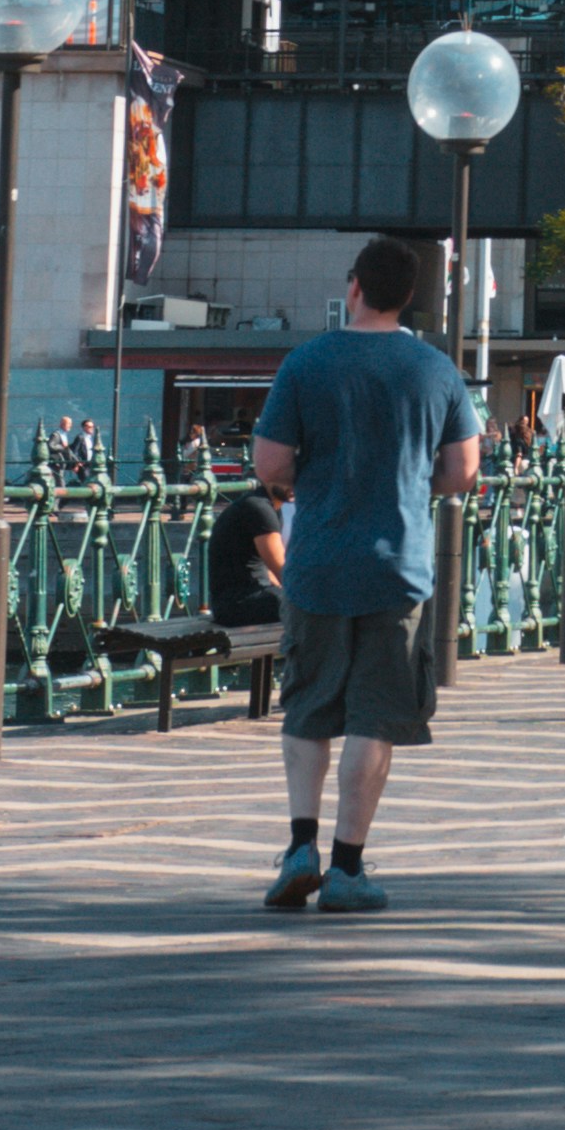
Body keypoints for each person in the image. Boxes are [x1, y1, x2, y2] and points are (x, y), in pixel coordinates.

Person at [248, 232, 484, 917]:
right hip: (397, 565)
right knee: (374, 717)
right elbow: (463, 471)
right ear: (407, 296)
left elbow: (268, 462)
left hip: (317, 560)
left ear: (354, 288)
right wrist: (416, 483)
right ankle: (348, 868)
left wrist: (310, 479)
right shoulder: (435, 369)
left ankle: (300, 846)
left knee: (309, 704)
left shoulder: (307, 361)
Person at [207, 468, 288, 634]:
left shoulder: (270, 507)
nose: (292, 483)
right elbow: (283, 570)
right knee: (314, 605)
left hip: (246, 600)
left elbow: (273, 573)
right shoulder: (258, 508)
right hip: (238, 604)